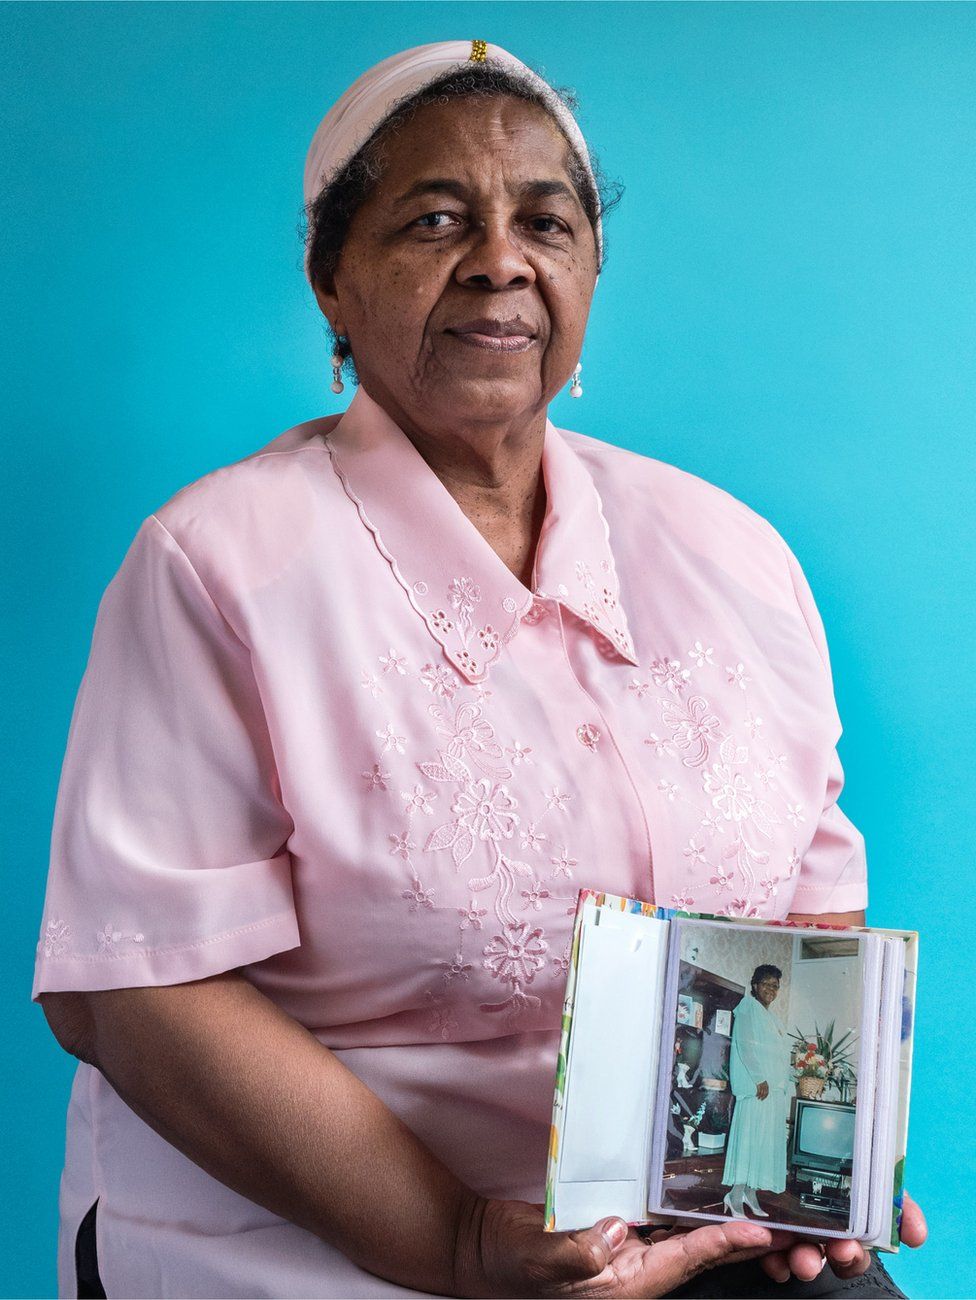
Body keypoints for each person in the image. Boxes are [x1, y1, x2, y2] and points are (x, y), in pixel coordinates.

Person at [31, 38, 925, 1299]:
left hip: (679, 1233)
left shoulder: (728, 549)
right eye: (435, 219)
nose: (500, 258)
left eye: (544, 220)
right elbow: (136, 992)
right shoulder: (217, 566)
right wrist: (451, 1237)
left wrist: (797, 1174)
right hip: (314, 1246)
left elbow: (806, 908)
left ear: (589, 270)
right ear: (330, 282)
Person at [722, 964, 791, 1217]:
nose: (771, 989)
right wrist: (759, 1079)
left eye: (775, 985)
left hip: (772, 1094)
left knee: (762, 1146)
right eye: (766, 984)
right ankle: (734, 1195)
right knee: (749, 1144)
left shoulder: (772, 1018)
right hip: (756, 1091)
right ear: (755, 985)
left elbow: (777, 1056)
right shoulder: (748, 1008)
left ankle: (751, 1194)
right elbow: (746, 1045)